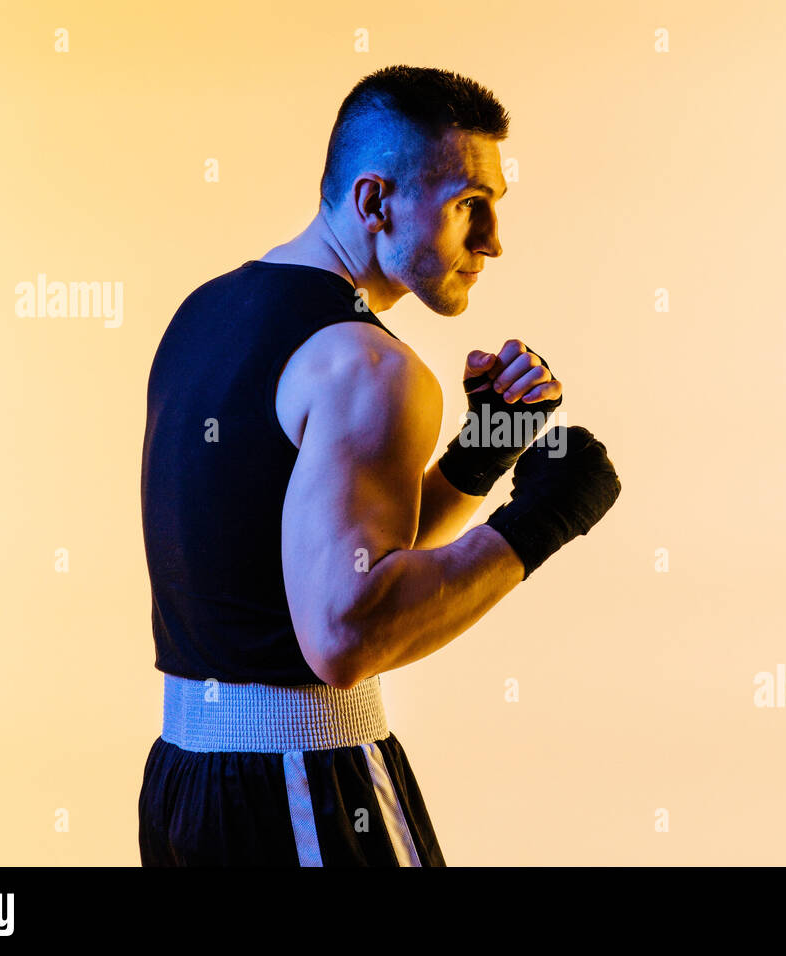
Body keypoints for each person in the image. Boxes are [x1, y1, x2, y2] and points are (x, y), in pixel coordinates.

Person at [137, 64, 621, 866]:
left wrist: (478, 456)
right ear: (374, 202)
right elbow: (343, 635)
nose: (494, 241)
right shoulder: (372, 368)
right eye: (470, 206)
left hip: (186, 785)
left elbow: (313, 559)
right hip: (303, 785)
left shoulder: (204, 312)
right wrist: (542, 521)